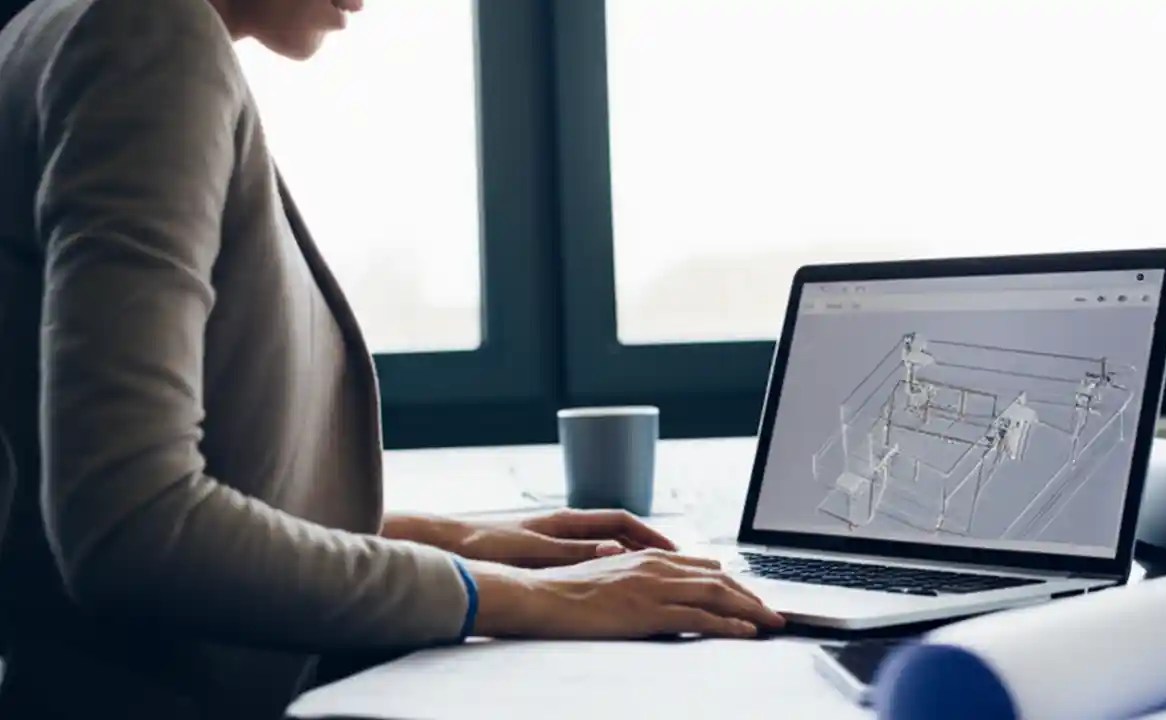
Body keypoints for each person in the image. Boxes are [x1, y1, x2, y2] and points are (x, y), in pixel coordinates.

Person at [0, 0, 785, 717]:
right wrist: (531, 598)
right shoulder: (146, 40)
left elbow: (196, 488)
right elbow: (135, 529)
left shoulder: (59, 28)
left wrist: (461, 540)